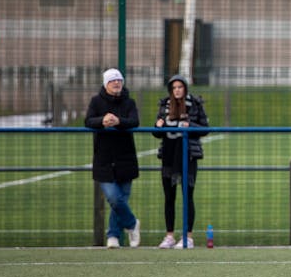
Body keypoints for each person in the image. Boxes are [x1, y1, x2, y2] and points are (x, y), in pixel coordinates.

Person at [84, 68, 141, 249]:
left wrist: (119, 122)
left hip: (126, 157)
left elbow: (134, 121)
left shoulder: (129, 102)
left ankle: (113, 235)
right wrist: (102, 121)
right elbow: (88, 121)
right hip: (104, 159)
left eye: (119, 81)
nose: (117, 84)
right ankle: (132, 224)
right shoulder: (96, 102)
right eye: (112, 81)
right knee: (114, 198)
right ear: (105, 84)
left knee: (120, 199)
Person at [153, 74, 209, 249]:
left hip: (188, 155)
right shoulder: (164, 106)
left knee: (187, 196)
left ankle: (188, 237)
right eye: (174, 88)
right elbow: (156, 132)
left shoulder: (195, 104)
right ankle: (169, 235)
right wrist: (158, 127)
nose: (177, 90)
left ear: (185, 88)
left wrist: (190, 126)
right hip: (169, 155)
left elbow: (205, 129)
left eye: (180, 87)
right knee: (169, 197)